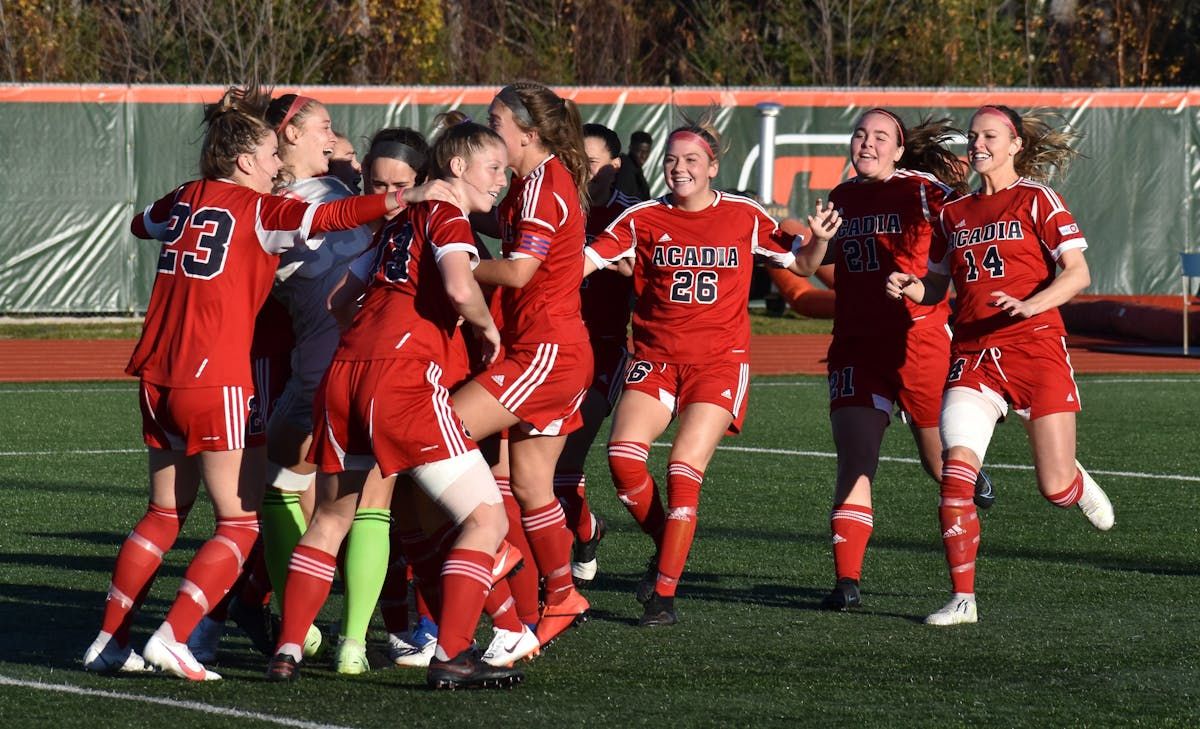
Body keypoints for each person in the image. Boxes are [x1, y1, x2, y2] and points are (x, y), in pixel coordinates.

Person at [81, 85, 423, 680]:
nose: (275, 168)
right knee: (240, 523)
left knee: (164, 515)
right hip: (214, 379)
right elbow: (338, 213)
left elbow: (143, 223)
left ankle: (111, 640)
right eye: (268, 157)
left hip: (155, 374)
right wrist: (404, 196)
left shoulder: (185, 197)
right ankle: (176, 635)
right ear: (245, 161)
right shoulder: (262, 209)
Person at [265, 114, 524, 689]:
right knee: (487, 519)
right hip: (403, 380)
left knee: (332, 518)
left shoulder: (398, 219)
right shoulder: (448, 215)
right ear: (456, 166)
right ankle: (454, 654)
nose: (502, 180)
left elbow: (339, 299)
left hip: (345, 371)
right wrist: (485, 330)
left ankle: (288, 648)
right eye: (493, 167)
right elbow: (461, 287)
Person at [585, 112, 823, 626]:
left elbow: (801, 266)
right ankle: (670, 543)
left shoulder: (743, 214)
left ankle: (663, 595)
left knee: (681, 471)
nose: (678, 168)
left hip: (718, 363)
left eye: (691, 160)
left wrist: (819, 239)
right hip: (654, 358)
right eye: (671, 159)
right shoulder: (643, 217)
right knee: (623, 460)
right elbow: (585, 259)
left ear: (712, 167)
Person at [885, 104, 1115, 626]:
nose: (978, 143)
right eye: (973, 135)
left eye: (990, 135)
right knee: (955, 475)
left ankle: (1073, 480)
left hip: (1035, 349)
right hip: (972, 357)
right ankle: (963, 598)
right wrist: (911, 288)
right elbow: (939, 286)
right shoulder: (952, 213)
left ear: (1015, 146)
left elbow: (1077, 272)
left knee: (1054, 489)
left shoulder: (1037, 198)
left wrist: (1032, 304)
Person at [793, 108, 997, 612]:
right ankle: (846, 583)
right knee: (856, 463)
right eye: (860, 134)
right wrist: (817, 237)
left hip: (919, 345)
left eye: (879, 137)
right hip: (857, 347)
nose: (866, 143)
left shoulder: (925, 192)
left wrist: (935, 289)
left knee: (941, 464)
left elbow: (968, 236)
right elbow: (810, 264)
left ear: (900, 150)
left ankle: (968, 487)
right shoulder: (841, 197)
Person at [451, 81, 594, 650]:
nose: (491, 131)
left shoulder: (542, 186)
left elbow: (515, 273)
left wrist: (455, 263)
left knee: (436, 434)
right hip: (549, 349)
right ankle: (562, 595)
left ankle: (495, 549)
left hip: (546, 353)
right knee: (534, 484)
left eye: (496, 123)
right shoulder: (533, 182)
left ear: (528, 135)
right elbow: (495, 225)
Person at [556, 122, 640, 586]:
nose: (580, 173)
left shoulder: (633, 216)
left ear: (614, 166)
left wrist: (634, 275)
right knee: (530, 466)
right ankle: (586, 531)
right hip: (544, 349)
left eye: (589, 164)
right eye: (573, 163)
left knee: (565, 460)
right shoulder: (555, 207)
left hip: (600, 354)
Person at [615, 129, 652, 200]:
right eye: (640, 151)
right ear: (631, 147)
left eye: (646, 152)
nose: (643, 156)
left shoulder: (636, 169)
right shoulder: (625, 167)